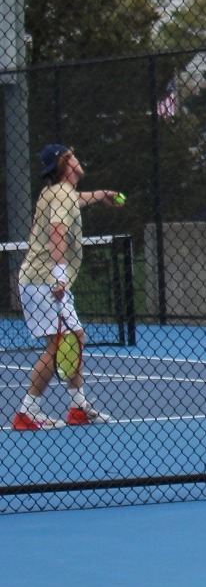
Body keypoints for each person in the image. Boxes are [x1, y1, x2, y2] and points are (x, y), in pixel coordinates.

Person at [12, 144, 123, 430]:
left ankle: (78, 407)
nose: (77, 157)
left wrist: (101, 196)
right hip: (45, 281)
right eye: (73, 155)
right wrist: (59, 277)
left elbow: (75, 200)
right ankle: (27, 412)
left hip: (40, 280)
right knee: (61, 343)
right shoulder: (61, 194)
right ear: (66, 163)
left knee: (75, 336)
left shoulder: (57, 193)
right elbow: (58, 231)